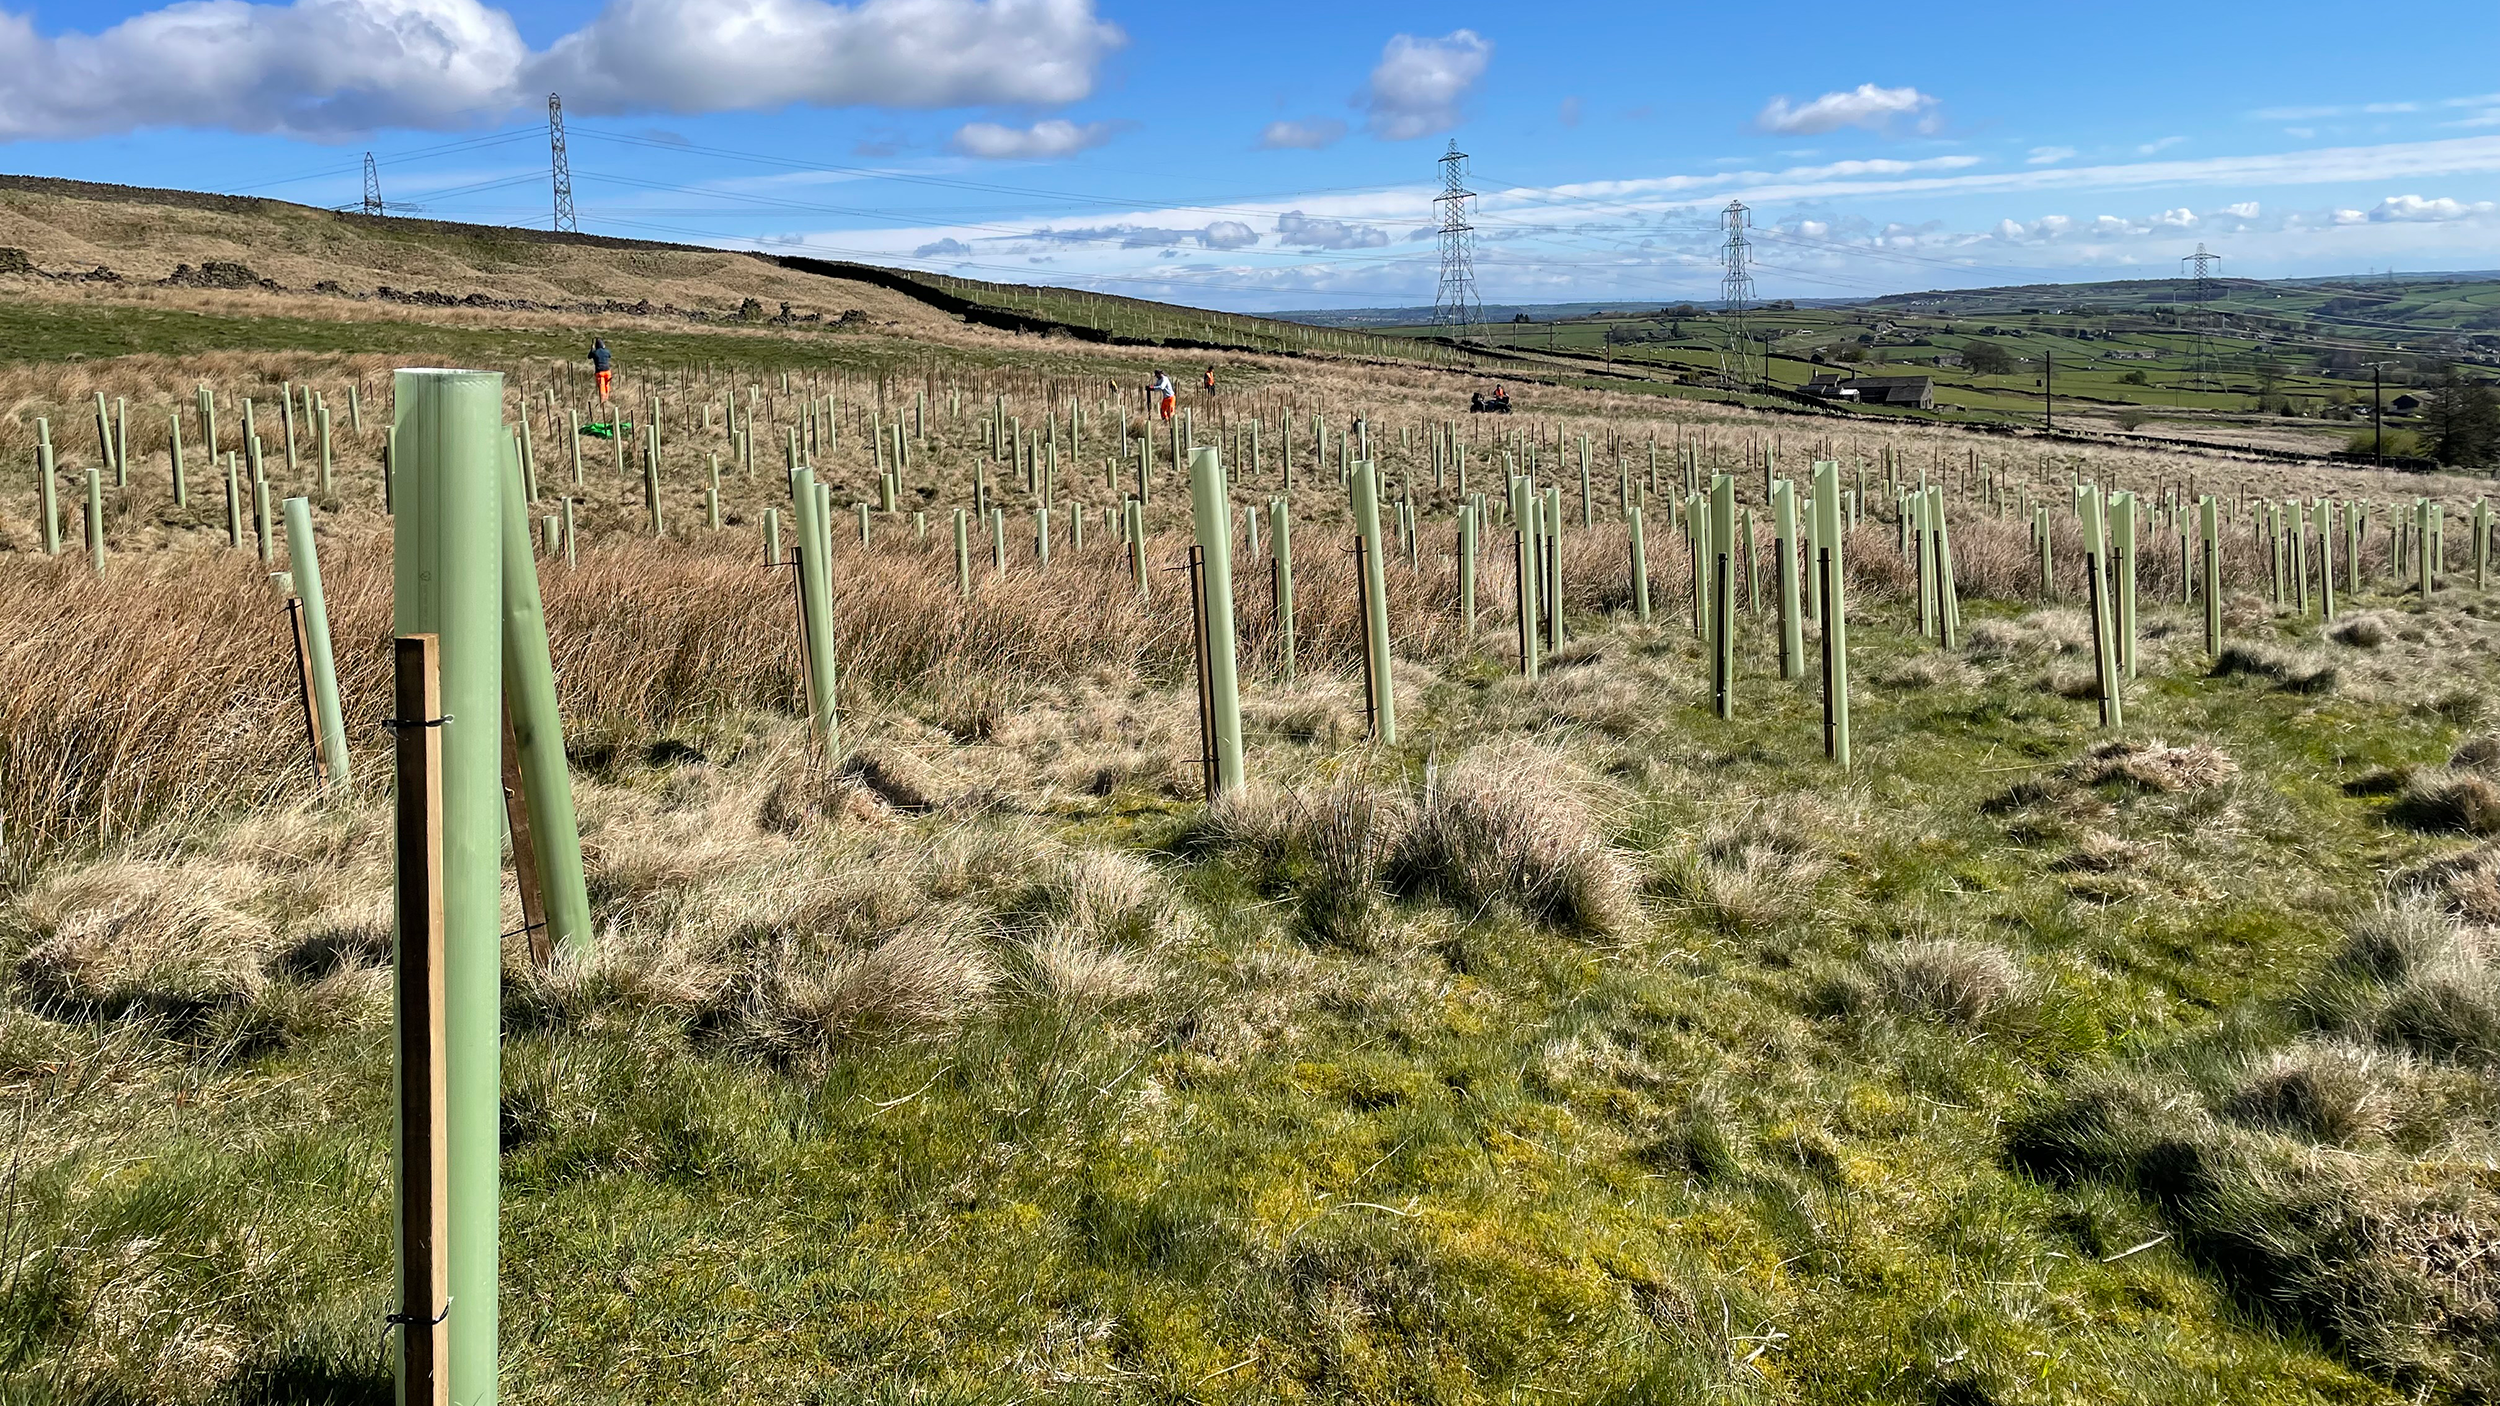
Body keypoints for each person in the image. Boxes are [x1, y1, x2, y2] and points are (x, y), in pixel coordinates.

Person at [590, 338, 612, 404]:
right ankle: (607, 398)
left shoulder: (595, 352)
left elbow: (589, 356)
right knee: (607, 385)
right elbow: (609, 356)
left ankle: (602, 401)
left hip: (599, 372)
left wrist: (592, 349)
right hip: (607, 371)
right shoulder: (607, 351)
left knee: (601, 386)